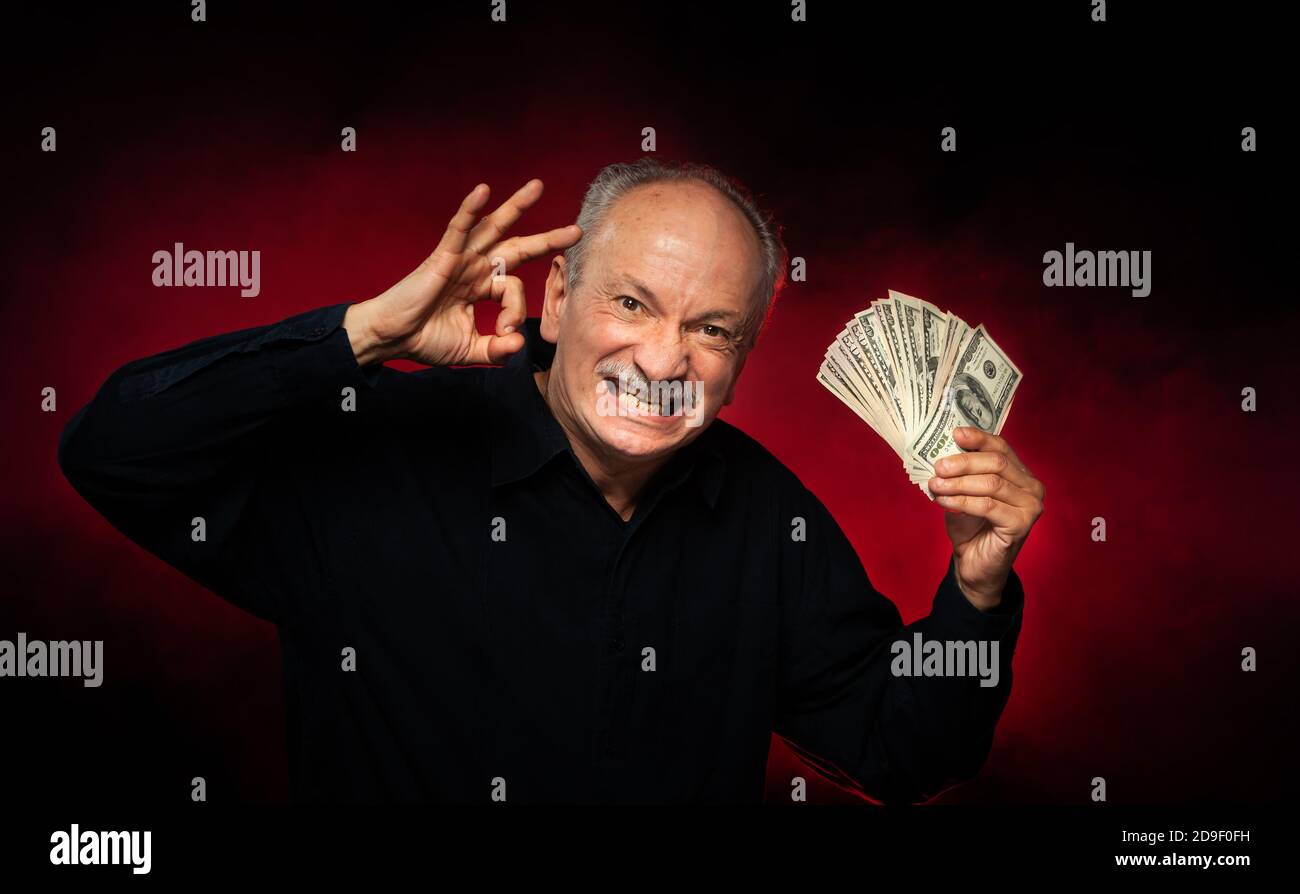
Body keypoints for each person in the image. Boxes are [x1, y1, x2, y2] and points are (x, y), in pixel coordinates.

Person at [58, 158, 1045, 804]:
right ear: (561, 294)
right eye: (631, 301)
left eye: (711, 331)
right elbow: (114, 449)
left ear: (743, 356)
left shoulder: (767, 517)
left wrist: (977, 588)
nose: (663, 361)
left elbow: (899, 749)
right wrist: (359, 334)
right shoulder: (380, 452)